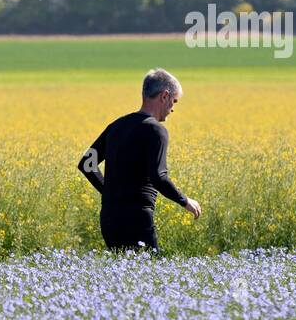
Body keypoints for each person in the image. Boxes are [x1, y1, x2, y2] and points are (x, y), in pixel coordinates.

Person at [77, 68, 202, 251]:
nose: (173, 108)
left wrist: (109, 193)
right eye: (174, 101)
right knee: (149, 273)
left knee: (123, 275)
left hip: (110, 218)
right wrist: (185, 201)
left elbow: (87, 163)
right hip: (137, 217)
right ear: (164, 96)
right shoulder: (156, 130)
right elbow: (158, 176)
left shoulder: (117, 126)